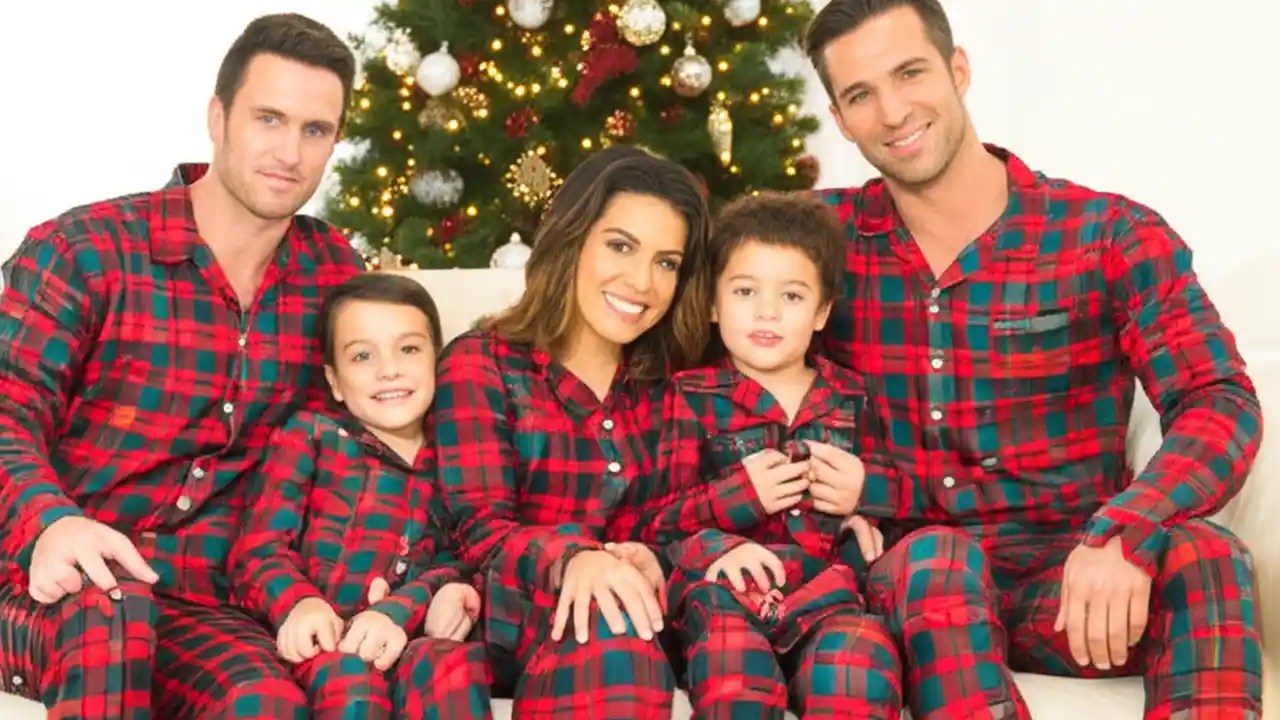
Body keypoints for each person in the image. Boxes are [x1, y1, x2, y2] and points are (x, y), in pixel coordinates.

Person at [801, 2, 1264, 719]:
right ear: (839, 118)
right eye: (861, 95)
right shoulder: (815, 243)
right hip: (918, 588)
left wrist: (1129, 525)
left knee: (1207, 556)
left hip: (1075, 583)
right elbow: (702, 368)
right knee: (938, 559)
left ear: (958, 69)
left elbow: (1217, 399)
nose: (892, 111)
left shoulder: (1106, 234)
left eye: (910, 73)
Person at [0, 13, 367, 720]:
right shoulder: (85, 251)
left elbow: (371, 438)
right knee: (110, 609)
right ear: (218, 116)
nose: (289, 151)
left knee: (265, 703)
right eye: (269, 118)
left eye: (315, 130)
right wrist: (52, 522)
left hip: (201, 602)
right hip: (42, 585)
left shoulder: (333, 277)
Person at [430, 144, 713, 719]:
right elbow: (479, 531)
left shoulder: (676, 385)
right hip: (523, 618)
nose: (641, 282)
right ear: (571, 240)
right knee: (607, 620)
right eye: (620, 246)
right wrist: (575, 558)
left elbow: (687, 520)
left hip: (648, 622)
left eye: (666, 262)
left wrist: (655, 559)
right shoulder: (481, 364)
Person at [615, 191, 902, 718]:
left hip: (828, 596)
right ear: (712, 305)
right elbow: (655, 520)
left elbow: (886, 493)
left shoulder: (851, 397)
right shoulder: (689, 396)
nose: (767, 311)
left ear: (821, 313)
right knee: (734, 673)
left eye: (791, 297)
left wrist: (863, 507)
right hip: (723, 600)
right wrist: (734, 512)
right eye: (746, 291)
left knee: (859, 665)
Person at [228, 274, 492, 720]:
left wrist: (404, 608)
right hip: (318, 638)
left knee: (451, 666)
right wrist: (298, 602)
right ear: (334, 380)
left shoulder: (454, 456)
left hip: (401, 638)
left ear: (436, 362)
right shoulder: (311, 436)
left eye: (408, 349)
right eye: (363, 355)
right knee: (350, 683)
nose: (388, 369)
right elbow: (259, 547)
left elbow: (460, 558)